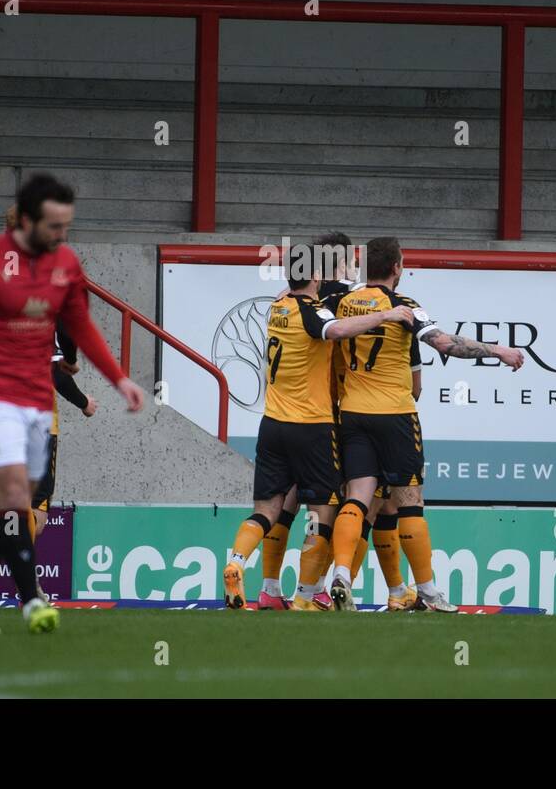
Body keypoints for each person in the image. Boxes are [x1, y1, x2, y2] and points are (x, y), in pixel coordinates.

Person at [0, 174, 144, 634]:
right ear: (27, 220)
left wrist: (120, 379)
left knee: (12, 504)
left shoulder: (64, 263)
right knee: (18, 498)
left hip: (37, 403)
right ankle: (32, 602)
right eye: (54, 226)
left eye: (67, 226)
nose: (63, 236)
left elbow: (80, 326)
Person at [327, 236, 524, 612]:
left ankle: (339, 576)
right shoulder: (404, 307)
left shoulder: (342, 302)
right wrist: (498, 350)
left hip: (352, 414)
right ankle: (430, 592)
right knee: (410, 503)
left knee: (358, 497)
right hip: (395, 415)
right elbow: (446, 344)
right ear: (397, 268)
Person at [223, 242, 415, 609]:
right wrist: (385, 316)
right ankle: (310, 593)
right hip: (312, 427)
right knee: (322, 512)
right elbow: (337, 329)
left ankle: (238, 566)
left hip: (272, 424)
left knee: (268, 510)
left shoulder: (278, 306)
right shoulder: (313, 313)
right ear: (314, 275)